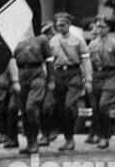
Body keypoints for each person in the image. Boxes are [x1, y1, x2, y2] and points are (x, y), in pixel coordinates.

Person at [47, 12, 93, 151]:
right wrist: (50, 77)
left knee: (69, 105)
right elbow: (50, 61)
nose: (60, 27)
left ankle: (70, 139)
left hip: (74, 73)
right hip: (59, 74)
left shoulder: (78, 40)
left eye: (63, 24)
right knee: (61, 107)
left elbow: (85, 60)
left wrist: (88, 79)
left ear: (69, 25)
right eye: (58, 25)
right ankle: (67, 138)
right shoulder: (53, 40)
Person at [86, 16, 115, 149]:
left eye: (103, 26)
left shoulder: (114, 44)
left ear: (108, 28)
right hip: (96, 76)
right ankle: (101, 133)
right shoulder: (92, 44)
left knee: (103, 105)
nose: (100, 29)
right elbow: (87, 62)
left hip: (110, 76)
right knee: (96, 107)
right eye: (98, 26)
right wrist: (87, 78)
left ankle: (105, 137)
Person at [11, 26, 52, 154]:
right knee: (24, 110)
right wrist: (14, 80)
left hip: (37, 74)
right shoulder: (13, 38)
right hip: (20, 74)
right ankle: (30, 142)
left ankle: (34, 142)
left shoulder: (41, 38)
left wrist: (51, 80)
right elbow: (11, 60)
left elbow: (49, 60)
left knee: (31, 107)